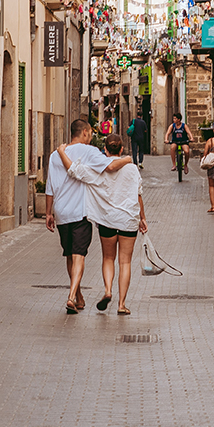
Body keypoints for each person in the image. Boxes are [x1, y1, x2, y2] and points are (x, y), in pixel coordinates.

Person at [45, 119, 132, 314]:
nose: (91, 137)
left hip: (61, 212)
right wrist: (127, 159)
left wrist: (48, 212)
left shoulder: (55, 155)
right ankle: (71, 296)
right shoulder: (89, 151)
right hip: (80, 211)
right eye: (91, 134)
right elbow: (111, 166)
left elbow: (50, 185)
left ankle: (78, 296)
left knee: (70, 254)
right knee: (79, 255)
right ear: (84, 132)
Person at [58, 134, 147, 315]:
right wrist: (142, 218)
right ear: (121, 149)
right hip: (128, 219)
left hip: (108, 220)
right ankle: (121, 305)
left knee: (108, 258)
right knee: (125, 262)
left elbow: (73, 170)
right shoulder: (132, 169)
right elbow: (138, 195)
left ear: (105, 150)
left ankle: (107, 290)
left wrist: (61, 152)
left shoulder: (97, 169)